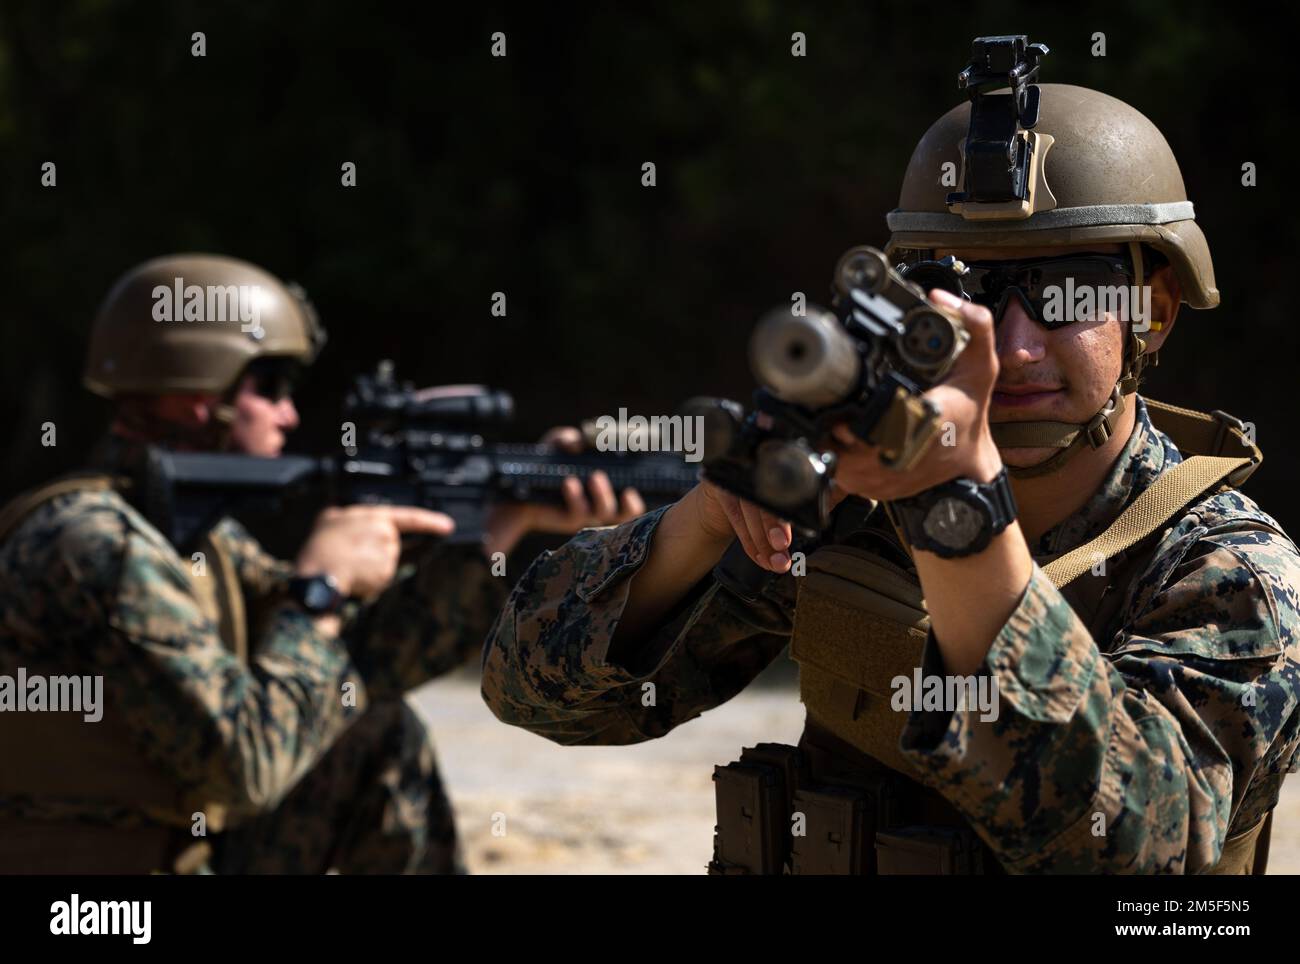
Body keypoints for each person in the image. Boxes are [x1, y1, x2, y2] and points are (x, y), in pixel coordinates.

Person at [481, 79, 1300, 874]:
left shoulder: (1236, 576)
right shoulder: (861, 515)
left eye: (1061, 292)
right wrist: (704, 520)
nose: (1011, 347)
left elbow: (1130, 850)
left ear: (1152, 310)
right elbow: (535, 693)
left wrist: (958, 507)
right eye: (968, 294)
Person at [0, 253, 642, 873]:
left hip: (169, 858)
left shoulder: (188, 539)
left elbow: (364, 667)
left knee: (377, 729)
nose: (290, 413)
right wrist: (321, 590)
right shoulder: (93, 545)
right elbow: (244, 766)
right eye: (270, 387)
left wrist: (502, 523)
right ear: (195, 394)